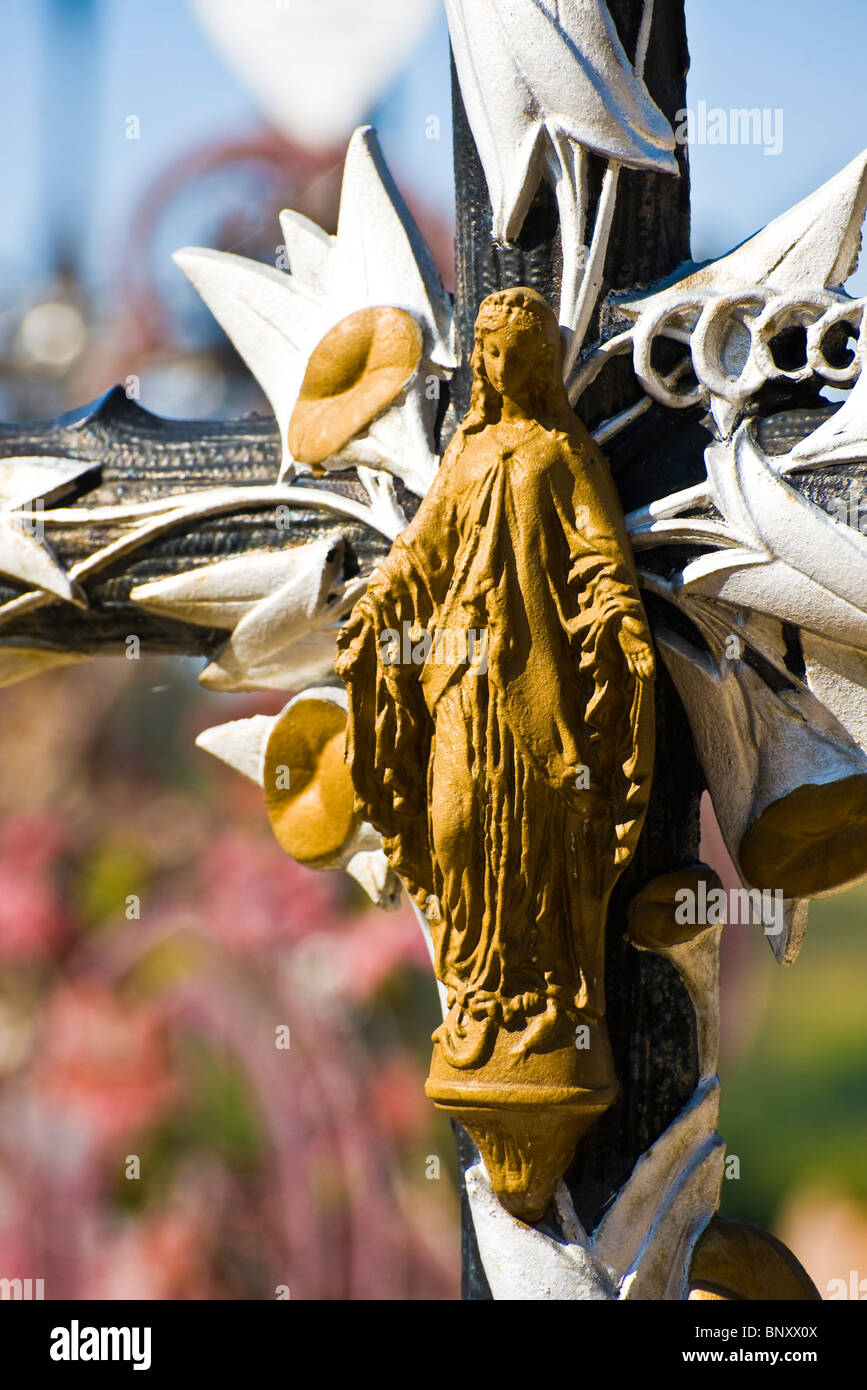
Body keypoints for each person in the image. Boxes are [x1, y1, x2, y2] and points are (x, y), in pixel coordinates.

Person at [336, 286, 655, 1219]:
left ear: (539, 364)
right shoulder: (467, 454)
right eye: (488, 351)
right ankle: (478, 996)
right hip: (458, 685)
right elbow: (420, 556)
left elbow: (599, 559)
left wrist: (619, 621)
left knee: (546, 837)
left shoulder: (562, 455)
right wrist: (378, 605)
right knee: (457, 825)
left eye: (515, 351)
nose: (498, 366)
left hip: (537, 690)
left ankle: (545, 997)